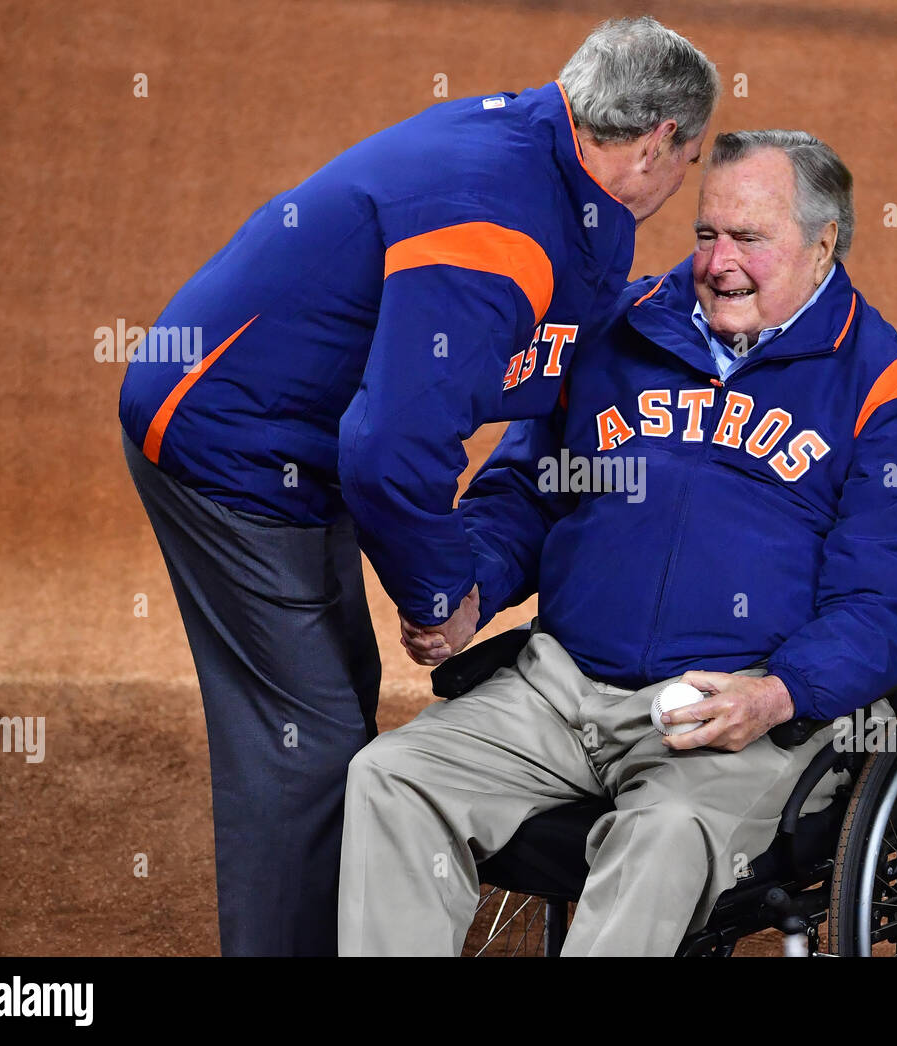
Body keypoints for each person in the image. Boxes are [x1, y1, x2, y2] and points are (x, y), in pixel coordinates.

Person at [118, 17, 718, 956]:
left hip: (302, 430)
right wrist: (443, 594)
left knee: (329, 696)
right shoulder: (499, 224)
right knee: (305, 740)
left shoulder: (558, 160)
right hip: (226, 437)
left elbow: (555, 365)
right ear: (654, 145)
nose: (685, 184)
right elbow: (393, 451)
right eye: (691, 159)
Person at [338, 130, 897, 956]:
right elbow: (527, 489)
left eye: (750, 239)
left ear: (822, 247)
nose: (719, 262)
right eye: (707, 234)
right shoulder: (614, 331)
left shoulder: (886, 390)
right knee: (392, 777)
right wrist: (474, 592)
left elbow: (889, 601)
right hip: (560, 691)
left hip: (738, 713)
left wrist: (777, 693)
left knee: (663, 829)